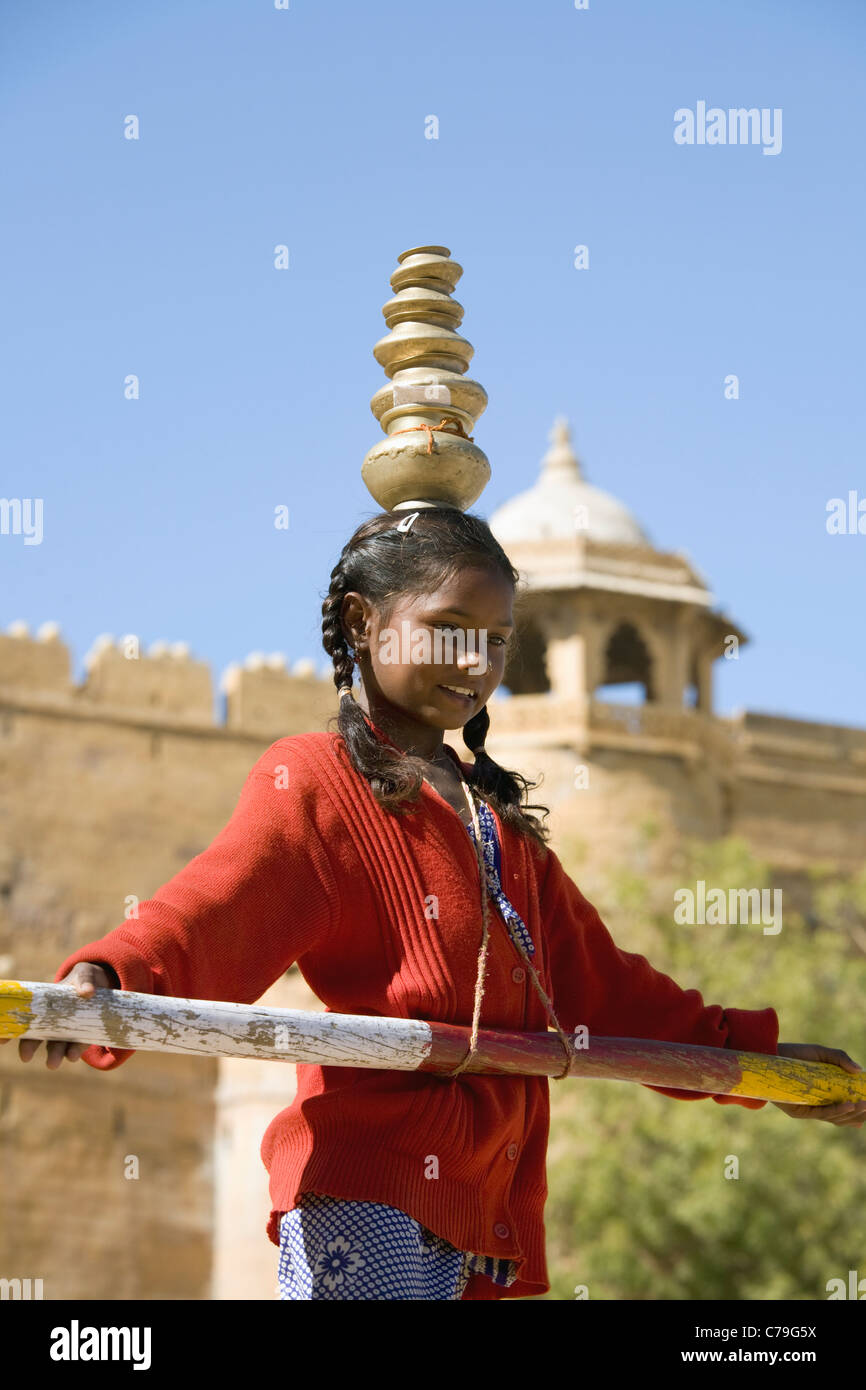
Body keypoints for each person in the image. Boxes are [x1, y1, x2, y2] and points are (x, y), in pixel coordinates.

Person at [4, 507, 864, 1301]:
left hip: (495, 1214)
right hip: (369, 1198)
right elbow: (221, 901)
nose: (476, 664)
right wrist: (111, 973)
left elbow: (611, 993)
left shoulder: (503, 830)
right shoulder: (314, 783)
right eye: (448, 631)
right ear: (360, 625)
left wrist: (763, 1063)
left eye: (496, 640)